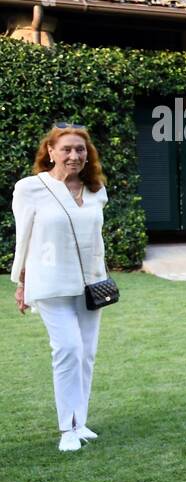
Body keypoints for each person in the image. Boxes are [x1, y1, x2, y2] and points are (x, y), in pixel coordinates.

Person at [10, 123, 110, 452]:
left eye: (80, 149)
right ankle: (66, 429)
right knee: (67, 349)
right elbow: (23, 240)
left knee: (86, 354)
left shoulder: (96, 190)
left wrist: (102, 275)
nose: (73, 155)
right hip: (50, 283)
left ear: (88, 154)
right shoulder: (29, 188)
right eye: (66, 149)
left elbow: (96, 241)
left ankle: (80, 422)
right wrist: (22, 283)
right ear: (50, 152)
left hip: (90, 285)